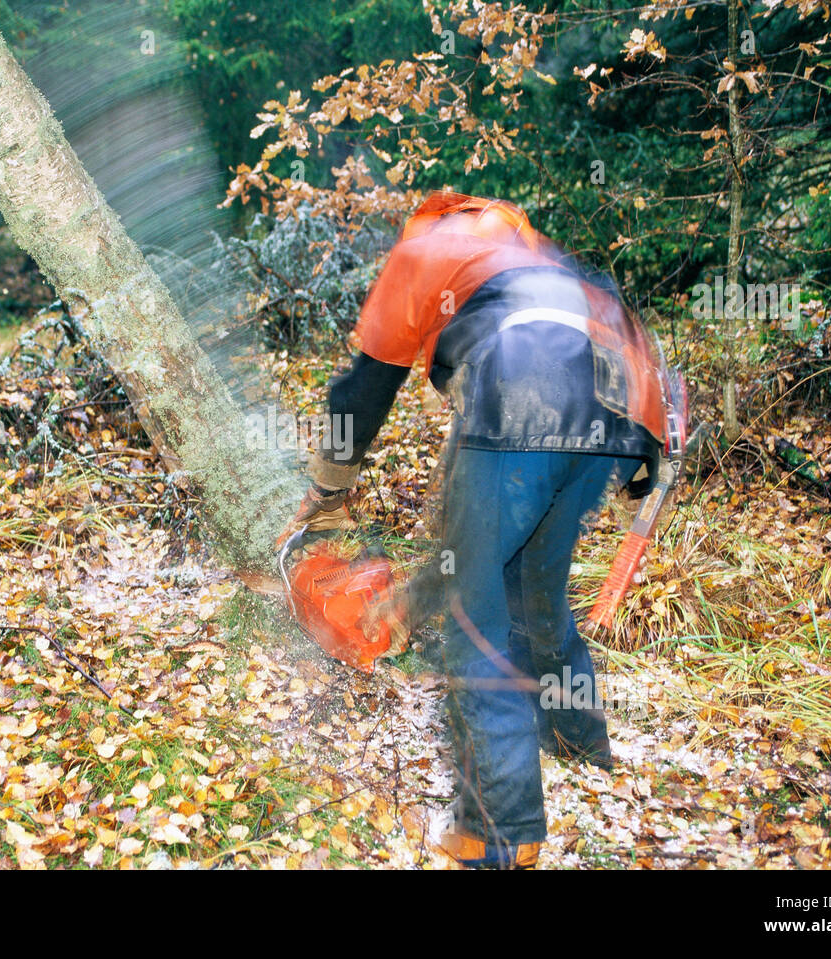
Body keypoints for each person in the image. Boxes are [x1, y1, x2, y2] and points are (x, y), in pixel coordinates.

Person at [278, 191, 671, 869]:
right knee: (533, 591)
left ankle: (498, 836)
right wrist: (644, 457)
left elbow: (362, 392)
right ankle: (580, 745)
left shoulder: (424, 247)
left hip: (526, 391)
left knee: (475, 616)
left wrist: (328, 489)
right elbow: (635, 344)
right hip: (617, 410)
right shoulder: (534, 256)